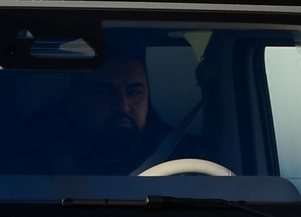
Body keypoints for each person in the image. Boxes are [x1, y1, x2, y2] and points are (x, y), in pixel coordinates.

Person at [24, 57, 219, 177]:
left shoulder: (191, 157)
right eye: (104, 92)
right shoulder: (32, 152)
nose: (122, 105)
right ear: (75, 100)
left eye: (134, 92)